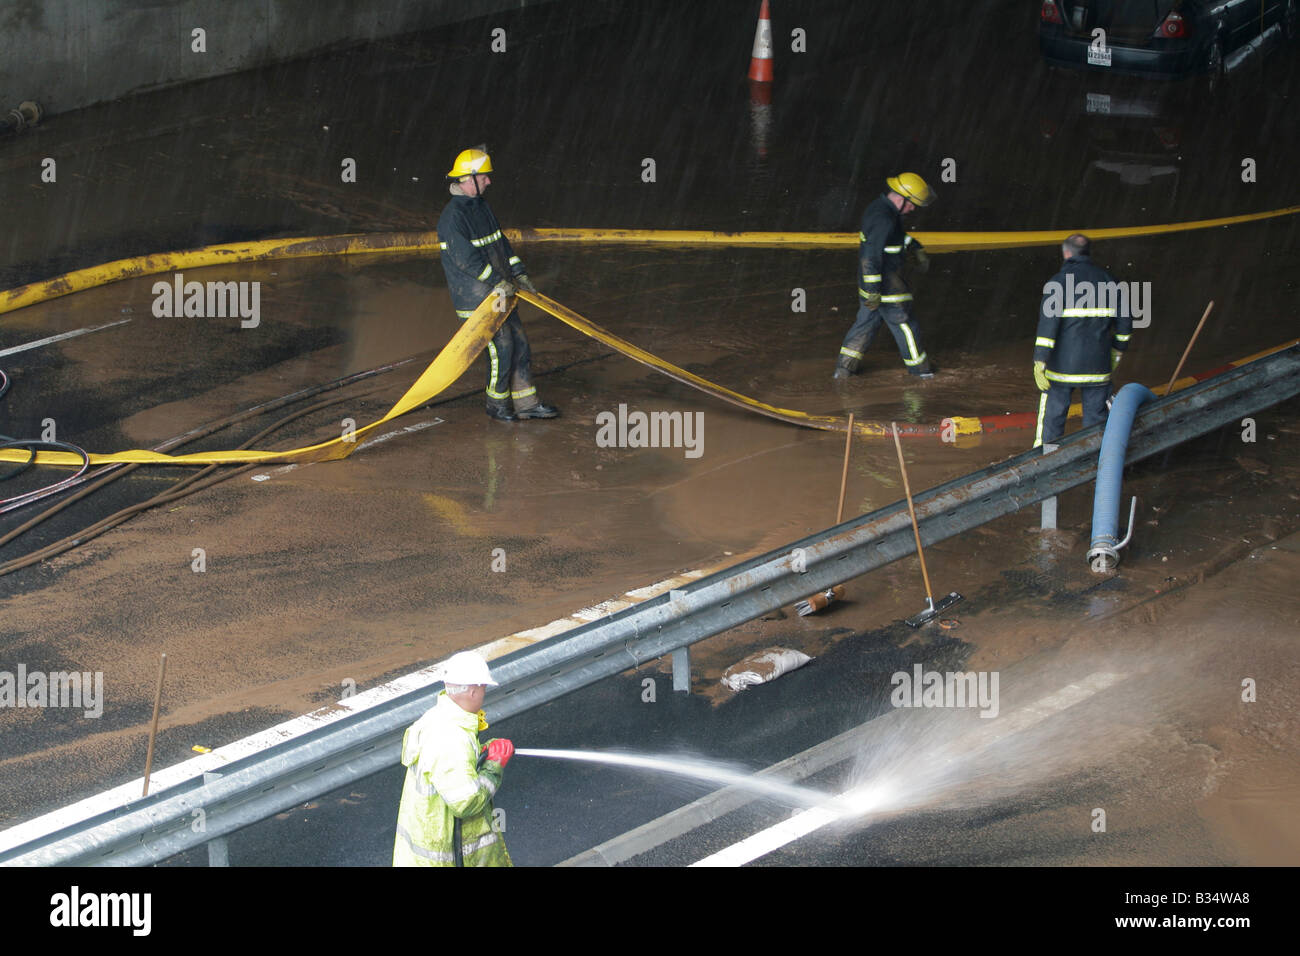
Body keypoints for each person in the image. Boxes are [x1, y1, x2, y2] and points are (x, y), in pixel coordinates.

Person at [437, 146, 558, 422]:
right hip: (477, 299)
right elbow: (466, 260)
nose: (489, 181)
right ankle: (496, 405)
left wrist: (519, 274)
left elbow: (501, 245)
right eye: (484, 178)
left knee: (520, 344)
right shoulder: (452, 218)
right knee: (501, 347)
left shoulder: (481, 207)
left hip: (502, 291)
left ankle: (527, 404)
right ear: (469, 179)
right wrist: (499, 281)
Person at [392, 651, 514, 867]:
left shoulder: (438, 718)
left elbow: (453, 770)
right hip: (445, 858)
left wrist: (484, 752)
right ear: (475, 690)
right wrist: (494, 766)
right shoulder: (452, 739)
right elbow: (465, 802)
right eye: (484, 688)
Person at [1032, 234, 1133, 447]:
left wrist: (1040, 360)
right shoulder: (1111, 281)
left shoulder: (1057, 283)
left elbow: (1048, 326)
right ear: (1089, 252)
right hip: (1098, 366)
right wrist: (1117, 351)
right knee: (1096, 421)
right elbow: (1125, 324)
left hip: (1061, 368)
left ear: (1066, 253)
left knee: (1053, 418)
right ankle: (1096, 461)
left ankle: (1048, 459)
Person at [833, 173, 936, 380]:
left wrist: (914, 247)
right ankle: (922, 373)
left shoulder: (882, 210)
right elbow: (870, 258)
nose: (913, 208)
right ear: (900, 198)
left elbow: (894, 239)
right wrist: (874, 291)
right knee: (906, 325)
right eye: (911, 204)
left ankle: (844, 370)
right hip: (888, 287)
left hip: (874, 287)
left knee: (865, 324)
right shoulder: (884, 219)